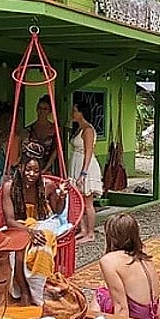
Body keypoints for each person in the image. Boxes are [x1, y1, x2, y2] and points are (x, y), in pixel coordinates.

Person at [88, 213, 160, 319]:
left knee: (100, 294)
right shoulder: (143, 255)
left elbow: (121, 307)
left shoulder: (109, 260)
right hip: (150, 316)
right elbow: (156, 300)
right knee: (105, 291)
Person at [1, 142, 68, 305]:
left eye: (36, 171)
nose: (32, 174)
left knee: (42, 244)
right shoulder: (9, 187)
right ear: (21, 167)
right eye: (28, 169)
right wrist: (29, 232)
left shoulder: (47, 185)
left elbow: (57, 211)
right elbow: (10, 221)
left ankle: (37, 292)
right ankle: (24, 290)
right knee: (18, 246)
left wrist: (61, 196)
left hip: (44, 222)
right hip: (19, 224)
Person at [69, 103, 104, 243]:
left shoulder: (88, 130)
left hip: (86, 166)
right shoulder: (79, 128)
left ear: (81, 113)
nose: (73, 113)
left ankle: (90, 232)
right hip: (76, 163)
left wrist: (83, 173)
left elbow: (89, 152)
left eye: (75, 111)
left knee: (88, 202)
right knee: (77, 200)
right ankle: (83, 229)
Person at [26, 95, 58, 174]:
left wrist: (45, 169)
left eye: (45, 109)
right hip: (31, 169)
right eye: (40, 108)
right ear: (36, 109)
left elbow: (55, 151)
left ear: (49, 111)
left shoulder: (55, 130)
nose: (41, 111)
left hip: (47, 169)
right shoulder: (29, 129)